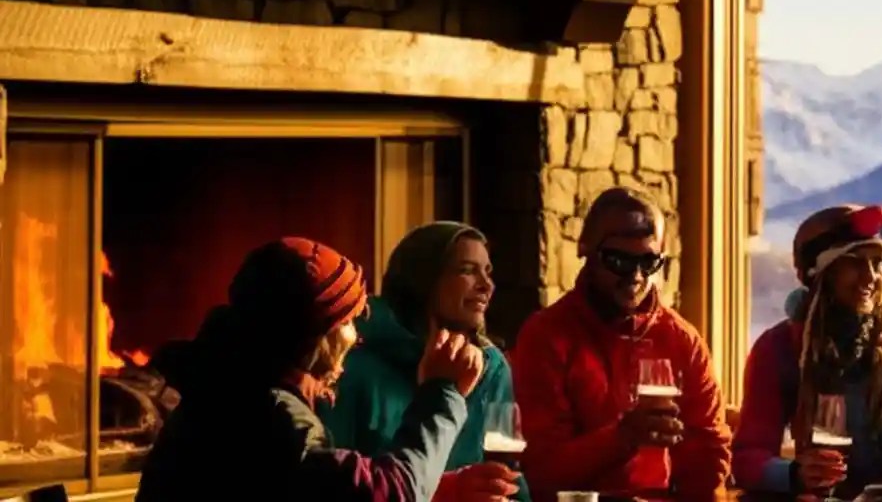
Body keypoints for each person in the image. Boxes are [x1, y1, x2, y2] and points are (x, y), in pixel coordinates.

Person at [137, 237, 482, 502]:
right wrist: (442, 392)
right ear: (316, 337)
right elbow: (388, 494)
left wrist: (439, 488)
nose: (356, 337)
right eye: (348, 322)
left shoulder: (225, 387)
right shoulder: (272, 417)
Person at [511, 187, 732, 500]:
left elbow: (709, 457)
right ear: (585, 250)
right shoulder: (546, 336)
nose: (636, 276)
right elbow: (539, 470)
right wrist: (622, 437)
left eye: (649, 261)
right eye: (619, 260)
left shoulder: (682, 340)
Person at [733, 205, 882, 498]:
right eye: (854, 262)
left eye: (878, 263)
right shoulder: (781, 348)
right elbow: (748, 458)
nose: (870, 276)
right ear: (820, 273)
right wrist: (794, 474)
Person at [321, 222, 527, 502]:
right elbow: (333, 489)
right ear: (423, 280)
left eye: (487, 271)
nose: (486, 285)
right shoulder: (353, 364)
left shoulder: (492, 367)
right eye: (467, 270)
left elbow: (513, 484)